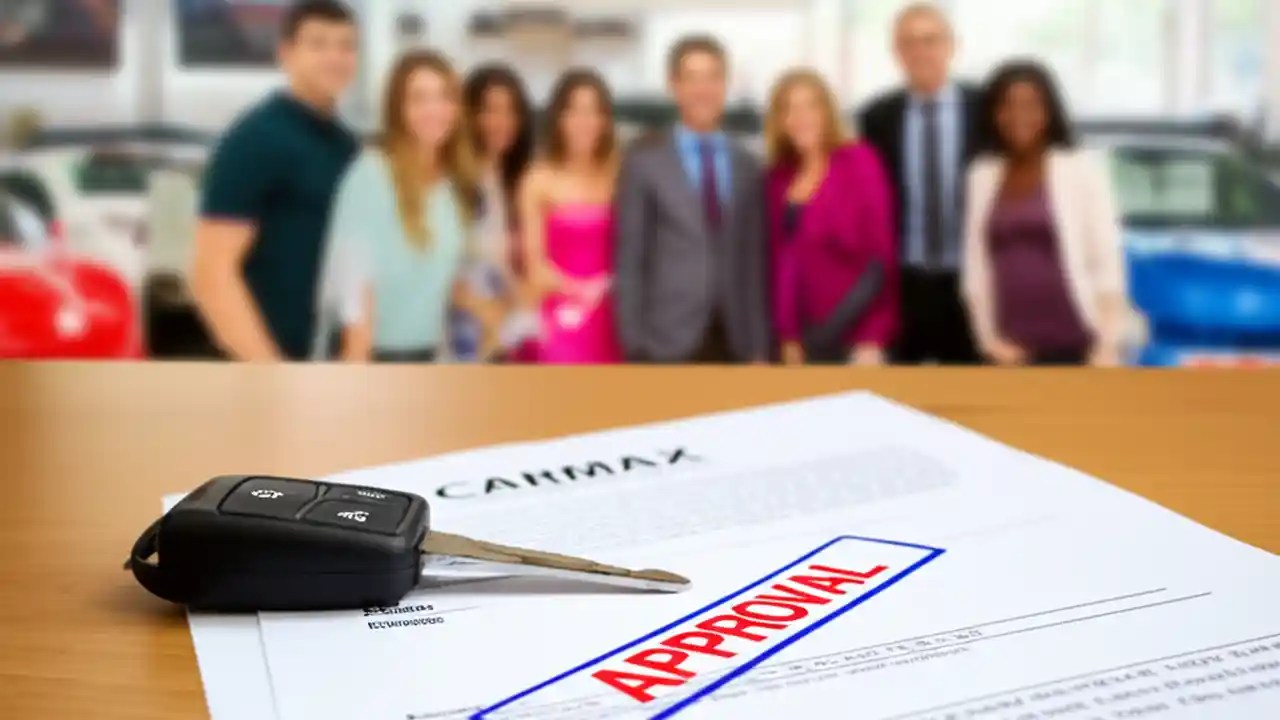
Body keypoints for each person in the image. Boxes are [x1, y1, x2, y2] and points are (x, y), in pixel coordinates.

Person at [191, 0, 359, 361]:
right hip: (264, 367)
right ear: (286, 54)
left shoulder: (346, 146)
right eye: (318, 44)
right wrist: (271, 372)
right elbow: (212, 273)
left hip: (327, 361)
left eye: (346, 46)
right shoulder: (254, 140)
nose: (335, 57)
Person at [314, 50, 480, 363]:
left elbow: (435, 277)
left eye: (444, 97)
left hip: (427, 354)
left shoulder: (450, 185)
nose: (434, 109)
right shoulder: (372, 173)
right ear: (398, 109)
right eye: (419, 99)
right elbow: (353, 283)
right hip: (372, 356)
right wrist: (356, 364)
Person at [614, 36, 770, 364]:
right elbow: (630, 260)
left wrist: (758, 346)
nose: (704, 90)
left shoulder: (748, 163)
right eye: (693, 78)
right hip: (665, 341)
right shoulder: (644, 162)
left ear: (725, 84)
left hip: (735, 340)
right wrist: (634, 345)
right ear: (674, 86)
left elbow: (753, 261)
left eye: (713, 77)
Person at [962, 61, 1127, 367]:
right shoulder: (982, 174)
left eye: (1030, 105)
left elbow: (1106, 260)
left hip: (1081, 345)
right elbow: (976, 266)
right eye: (1007, 106)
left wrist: (1107, 343)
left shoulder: (1080, 168)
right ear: (993, 114)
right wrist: (988, 340)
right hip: (1010, 352)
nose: (1018, 116)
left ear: (1049, 111)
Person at [859, 2, 985, 365]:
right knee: (900, 390)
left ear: (952, 45)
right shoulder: (876, 117)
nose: (920, 51)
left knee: (974, 388)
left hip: (971, 281)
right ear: (896, 52)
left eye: (930, 40)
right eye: (909, 42)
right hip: (906, 283)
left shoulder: (984, 108)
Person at [765, 70, 897, 366]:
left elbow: (880, 263)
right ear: (779, 120)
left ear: (827, 112)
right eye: (789, 108)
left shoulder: (860, 162)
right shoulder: (777, 179)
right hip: (801, 343)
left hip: (859, 339)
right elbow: (781, 266)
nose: (800, 117)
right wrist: (788, 336)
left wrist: (855, 335)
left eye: (810, 106)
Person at [518, 70, 622, 364]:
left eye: (592, 112)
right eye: (573, 111)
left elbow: (636, 251)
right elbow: (534, 266)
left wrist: (605, 286)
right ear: (558, 119)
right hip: (559, 313)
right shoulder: (537, 180)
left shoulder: (621, 175)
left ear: (605, 120)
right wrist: (578, 291)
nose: (583, 122)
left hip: (615, 312)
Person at [451, 63, 538, 361]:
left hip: (500, 340)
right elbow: (435, 269)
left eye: (511, 111)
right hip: (458, 339)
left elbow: (503, 265)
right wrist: (484, 310)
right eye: (490, 110)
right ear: (470, 115)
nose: (502, 122)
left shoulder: (508, 181)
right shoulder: (455, 182)